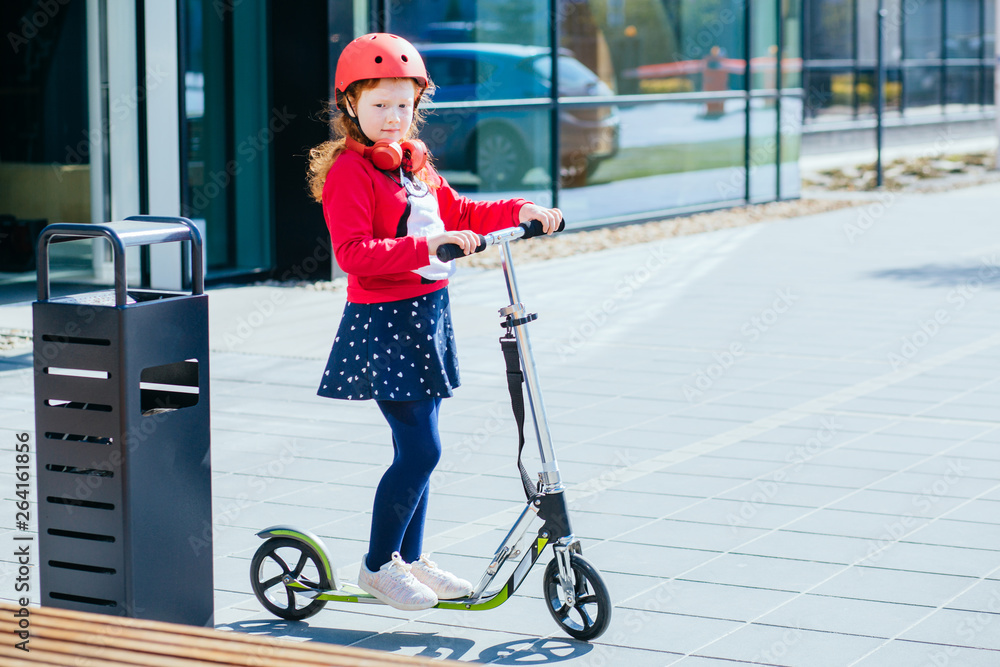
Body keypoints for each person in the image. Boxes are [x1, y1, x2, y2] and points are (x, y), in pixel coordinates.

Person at [306, 32, 562, 611]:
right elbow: (353, 253)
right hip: (383, 323)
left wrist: (520, 209)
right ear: (350, 106)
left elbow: (462, 213)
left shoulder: (413, 165)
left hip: (426, 317)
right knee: (421, 451)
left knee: (417, 447)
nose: (394, 117)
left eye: (404, 104)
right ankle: (378, 564)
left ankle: (410, 558)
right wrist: (428, 244)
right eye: (379, 105)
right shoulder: (352, 173)